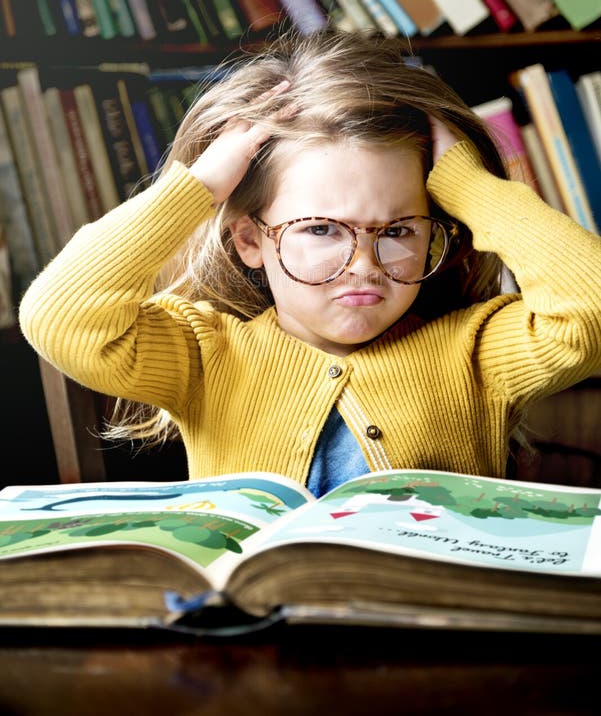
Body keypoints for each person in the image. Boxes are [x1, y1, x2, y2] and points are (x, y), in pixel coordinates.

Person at [19, 29, 601, 495]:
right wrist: (194, 188)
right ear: (251, 241)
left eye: (397, 229)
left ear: (435, 232)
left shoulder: (476, 352)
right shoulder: (204, 355)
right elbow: (61, 319)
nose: (364, 264)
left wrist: (472, 189)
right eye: (320, 228)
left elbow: (591, 308)